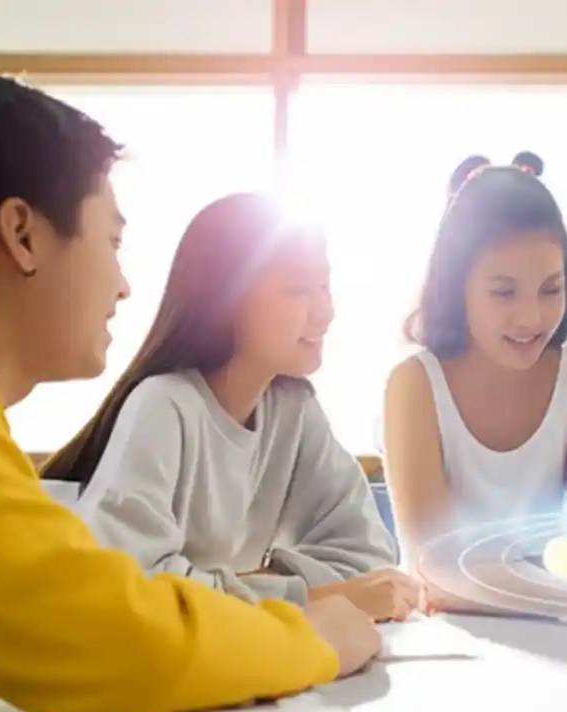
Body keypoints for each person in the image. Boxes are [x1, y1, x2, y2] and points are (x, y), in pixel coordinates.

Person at [0, 76, 378, 712]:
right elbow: (91, 634)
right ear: (22, 234)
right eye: (112, 241)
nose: (124, 285)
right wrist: (306, 633)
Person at [44, 192, 421, 623]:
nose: (325, 311)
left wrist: (260, 587)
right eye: (299, 289)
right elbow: (132, 589)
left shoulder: (293, 411)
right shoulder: (165, 404)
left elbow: (370, 560)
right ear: (227, 296)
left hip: (221, 662)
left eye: (324, 286)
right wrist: (304, 598)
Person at [383, 152, 567, 568]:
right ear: (458, 287)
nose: (532, 318)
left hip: (557, 619)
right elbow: (432, 567)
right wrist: (554, 595)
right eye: (504, 293)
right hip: (445, 625)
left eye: (551, 290)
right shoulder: (414, 384)